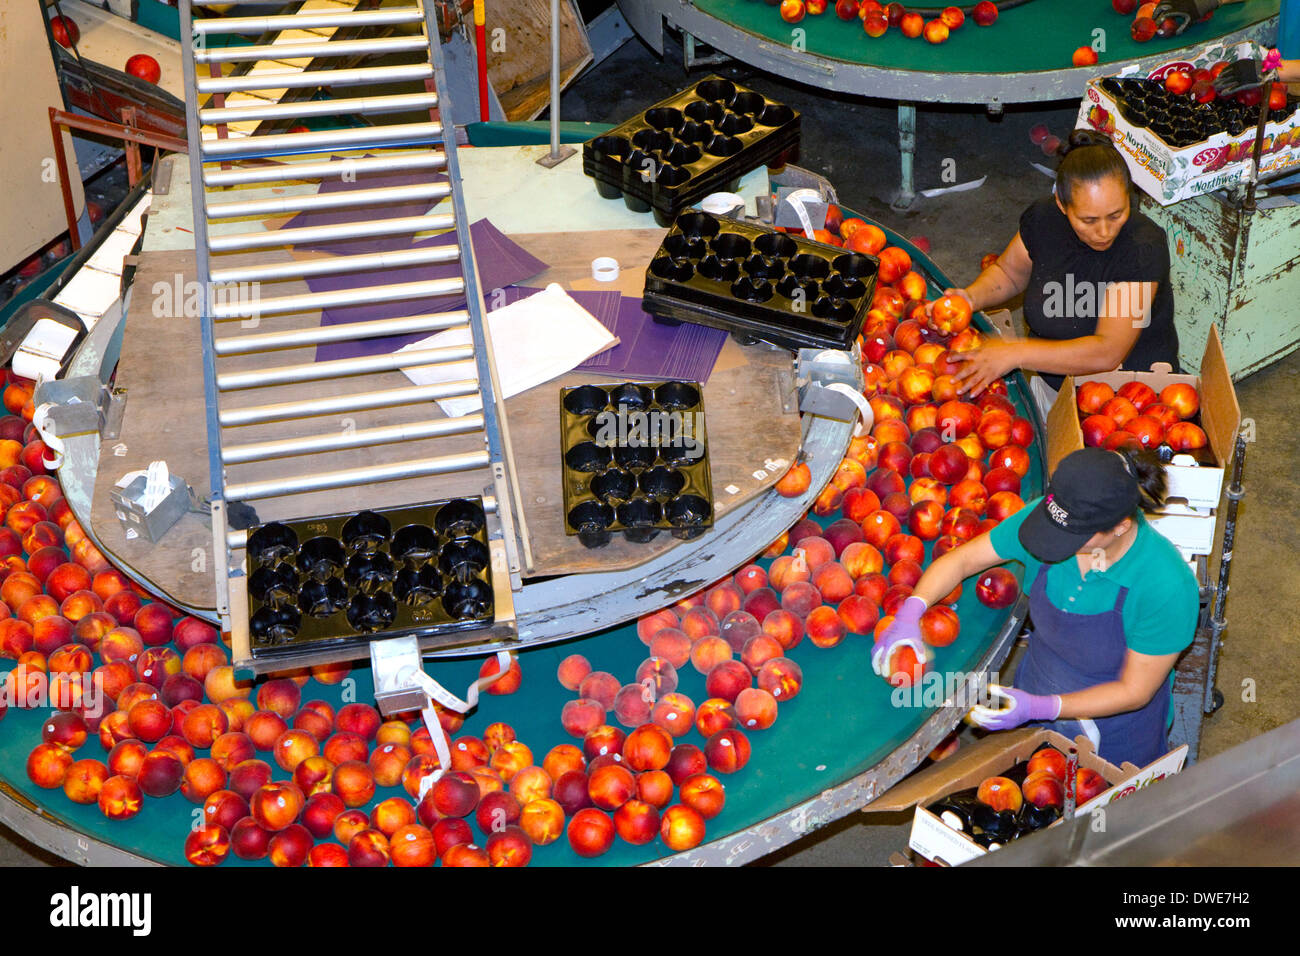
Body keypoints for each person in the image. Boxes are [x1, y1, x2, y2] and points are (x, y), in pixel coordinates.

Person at [872, 447, 1199, 769]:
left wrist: (1042, 707)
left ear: (1120, 527)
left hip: (1118, 733)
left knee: (1102, 818)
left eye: (1073, 537)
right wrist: (912, 610)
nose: (1055, 543)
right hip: (1038, 685)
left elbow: (1134, 691)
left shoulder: (1165, 585)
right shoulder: (1048, 523)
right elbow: (963, 559)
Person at [937, 132, 1180, 419]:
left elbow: (1108, 352)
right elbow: (1008, 274)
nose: (1104, 232)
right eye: (1088, 220)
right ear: (1062, 205)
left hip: (1127, 403)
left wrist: (1016, 352)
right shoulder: (1043, 220)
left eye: (1116, 215)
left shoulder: (1143, 249)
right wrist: (970, 298)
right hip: (1055, 383)